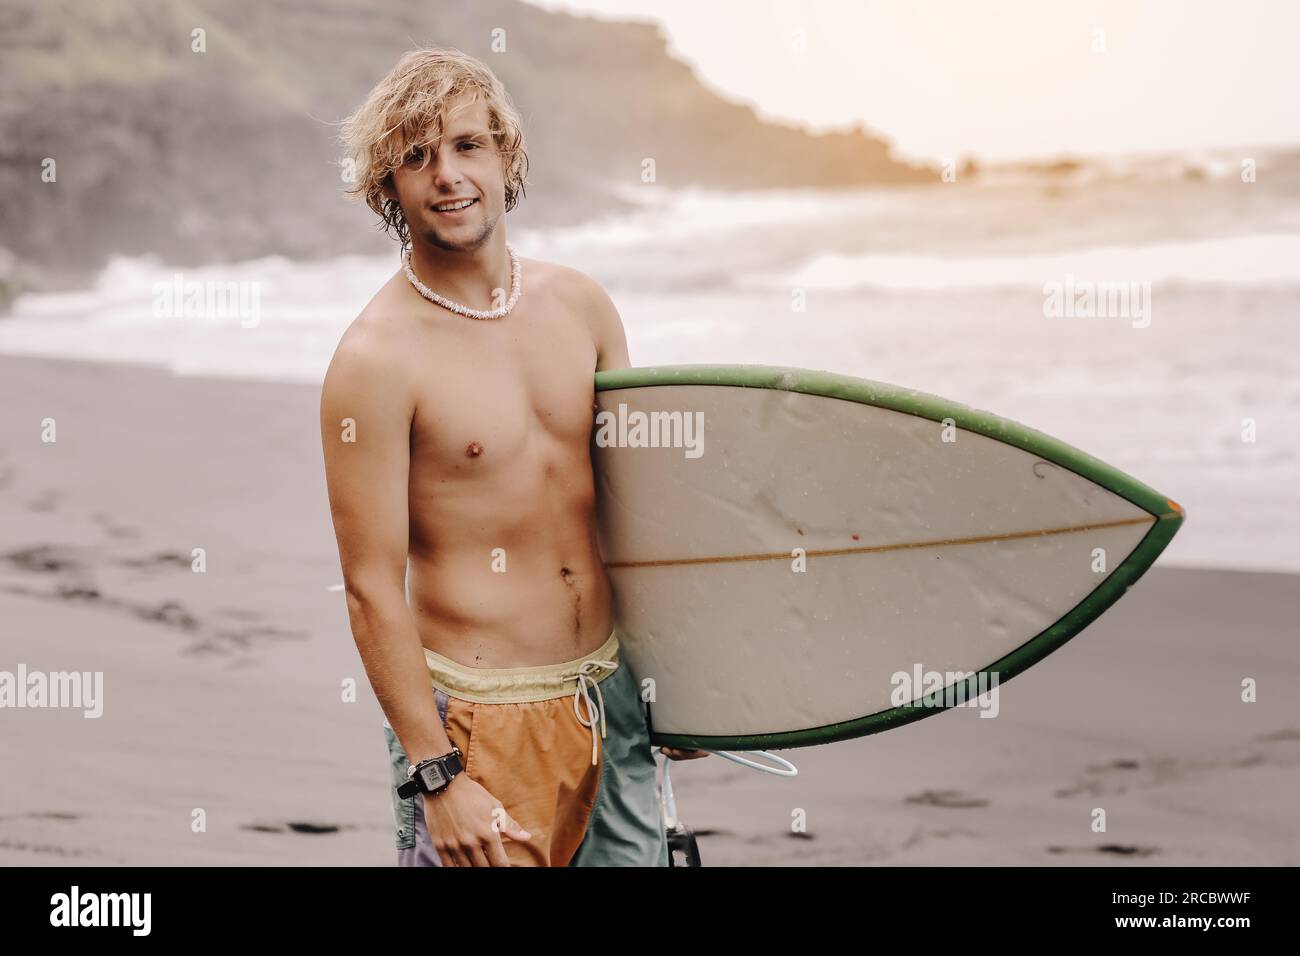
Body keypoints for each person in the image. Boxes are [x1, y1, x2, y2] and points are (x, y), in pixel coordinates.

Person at [321, 47, 708, 868]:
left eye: (467, 146)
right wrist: (437, 776)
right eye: (416, 157)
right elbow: (368, 588)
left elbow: (635, 511)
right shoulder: (375, 362)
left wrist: (679, 681)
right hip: (478, 718)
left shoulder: (582, 306)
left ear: (506, 155)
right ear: (387, 185)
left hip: (610, 694)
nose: (447, 176)